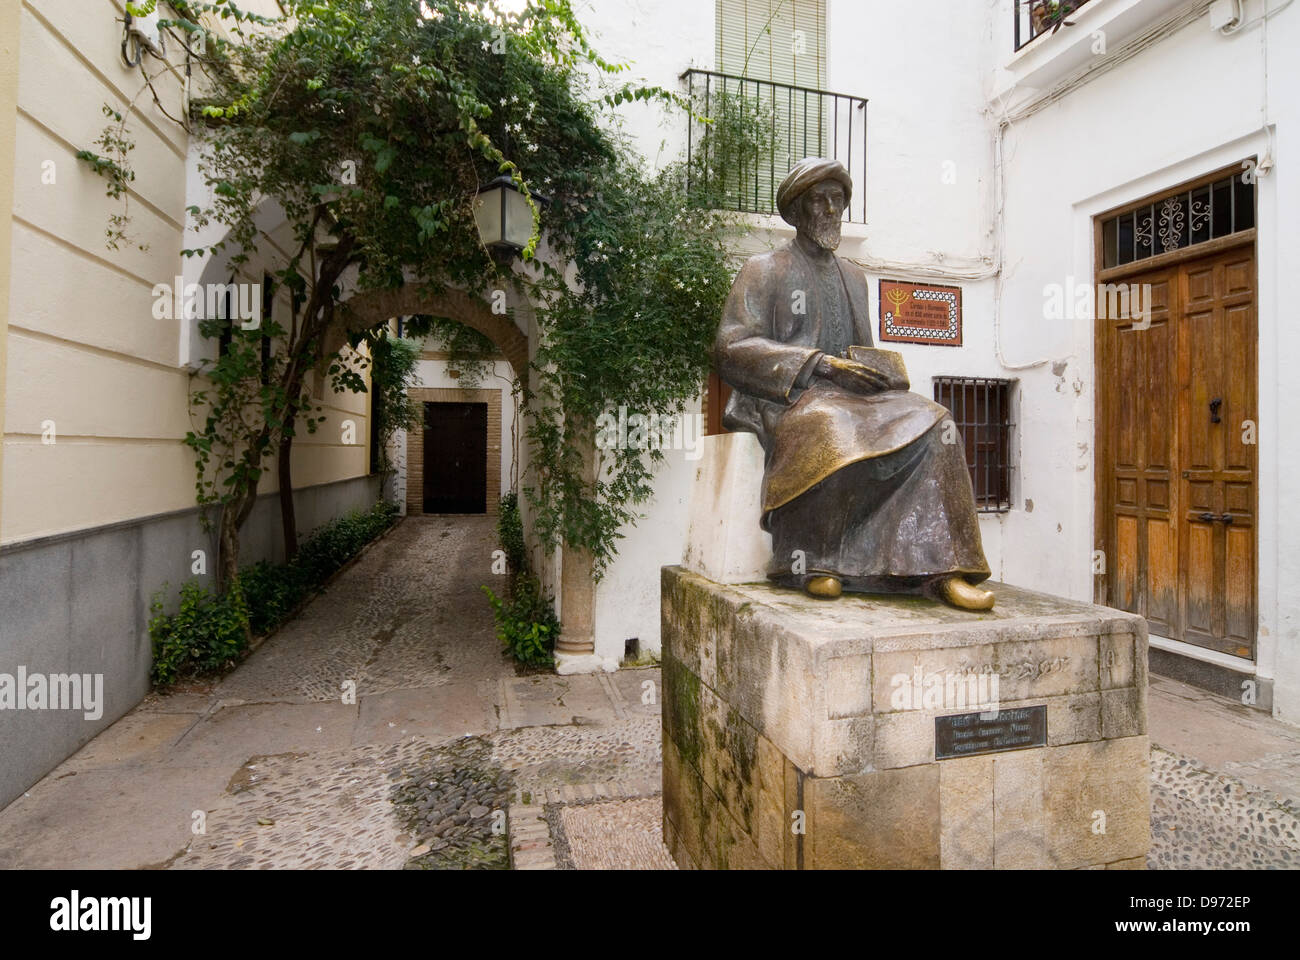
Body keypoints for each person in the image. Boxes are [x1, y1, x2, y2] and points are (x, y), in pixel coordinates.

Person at [713, 157, 995, 610]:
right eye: (819, 201)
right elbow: (731, 347)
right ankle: (814, 561)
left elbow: (863, 348)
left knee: (933, 420)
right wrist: (819, 365)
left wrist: (879, 372)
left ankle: (942, 568)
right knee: (830, 425)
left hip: (855, 396)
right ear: (798, 211)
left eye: (837, 201)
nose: (830, 210)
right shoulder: (763, 268)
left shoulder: (854, 277)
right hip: (794, 396)